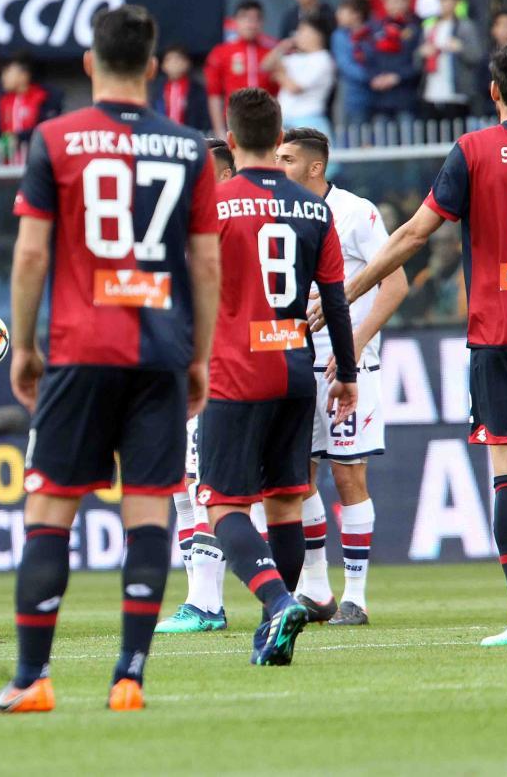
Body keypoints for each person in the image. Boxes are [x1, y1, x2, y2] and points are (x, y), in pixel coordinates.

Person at [0, 5, 221, 714]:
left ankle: (33, 679)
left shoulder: (55, 138)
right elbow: (206, 263)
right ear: (152, 66)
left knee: (50, 508)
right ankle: (129, 678)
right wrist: (198, 356)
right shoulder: (190, 148)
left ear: (89, 63)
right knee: (149, 511)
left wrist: (25, 346)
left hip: (80, 350)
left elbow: (30, 254)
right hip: (161, 351)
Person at [337, 41, 507, 647]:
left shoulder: (472, 150)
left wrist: (349, 290)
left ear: (493, 92)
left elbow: (415, 235)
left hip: (500, 333)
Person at [197, 88, 357, 667]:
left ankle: (277, 602)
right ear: (280, 137)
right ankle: (275, 632)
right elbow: (334, 299)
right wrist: (348, 373)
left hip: (235, 373)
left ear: (231, 140)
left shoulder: (214, 204)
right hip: (295, 368)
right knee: (286, 503)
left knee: (223, 507)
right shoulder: (316, 208)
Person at [276, 128, 408, 626]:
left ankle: (356, 595)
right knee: (297, 478)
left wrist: (354, 344)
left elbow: (395, 283)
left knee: (348, 473)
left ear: (315, 167)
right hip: (293, 362)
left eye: (287, 158)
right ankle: (316, 589)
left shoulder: (356, 212)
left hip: (347, 365)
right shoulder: (277, 210)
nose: (278, 165)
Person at [158, 136, 237, 635]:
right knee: (183, 488)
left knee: (202, 485)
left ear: (225, 176)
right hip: (180, 370)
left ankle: (208, 603)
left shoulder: (227, 230)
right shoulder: (188, 230)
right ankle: (198, 598)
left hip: (216, 371)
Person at [205, 0, 278, 138]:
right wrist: (219, 131)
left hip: (267, 123)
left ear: (262, 23)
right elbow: (214, 95)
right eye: (246, 18)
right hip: (235, 123)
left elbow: (279, 93)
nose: (251, 24)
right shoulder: (221, 53)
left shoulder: (271, 53)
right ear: (235, 21)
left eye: (256, 19)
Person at [418, 0, 484, 123]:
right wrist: (422, 53)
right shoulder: (430, 26)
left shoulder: (465, 26)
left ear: (457, 2)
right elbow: (417, 59)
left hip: (457, 93)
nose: (447, 3)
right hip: (431, 92)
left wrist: (460, 48)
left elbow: (477, 56)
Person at [365, 0, 423, 123]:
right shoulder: (375, 29)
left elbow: (420, 63)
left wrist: (398, 77)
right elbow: (369, 58)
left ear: (406, 1)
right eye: (388, 0)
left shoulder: (416, 28)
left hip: (407, 98)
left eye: (397, 0)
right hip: (380, 99)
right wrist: (375, 77)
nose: (392, 4)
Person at [269, 16, 336, 135]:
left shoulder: (323, 59)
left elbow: (294, 87)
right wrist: (281, 47)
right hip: (285, 121)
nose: (297, 36)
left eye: (302, 31)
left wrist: (279, 74)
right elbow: (266, 65)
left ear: (317, 34)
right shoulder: (295, 57)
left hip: (309, 121)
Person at [333, 0, 375, 130]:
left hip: (376, 96)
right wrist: (371, 77)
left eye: (342, 11)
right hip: (350, 96)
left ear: (357, 14)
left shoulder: (374, 33)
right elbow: (345, 65)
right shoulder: (339, 36)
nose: (337, 14)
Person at [150, 44, 211, 132]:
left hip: (190, 134)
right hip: (162, 134)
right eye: (169, 60)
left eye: (178, 59)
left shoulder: (197, 90)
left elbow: (204, 118)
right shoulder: (156, 89)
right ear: (163, 66)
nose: (174, 63)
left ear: (187, 63)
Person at [0, 53, 54, 148]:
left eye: (8, 72)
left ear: (24, 75)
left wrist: (19, 137)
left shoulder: (42, 97)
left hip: (35, 151)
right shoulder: (4, 100)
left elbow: (45, 128)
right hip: (8, 155)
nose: (3, 78)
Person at [472, 10, 507, 119]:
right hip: (492, 112)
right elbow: (480, 86)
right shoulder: (486, 59)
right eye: (502, 25)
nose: (506, 29)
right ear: (494, 30)